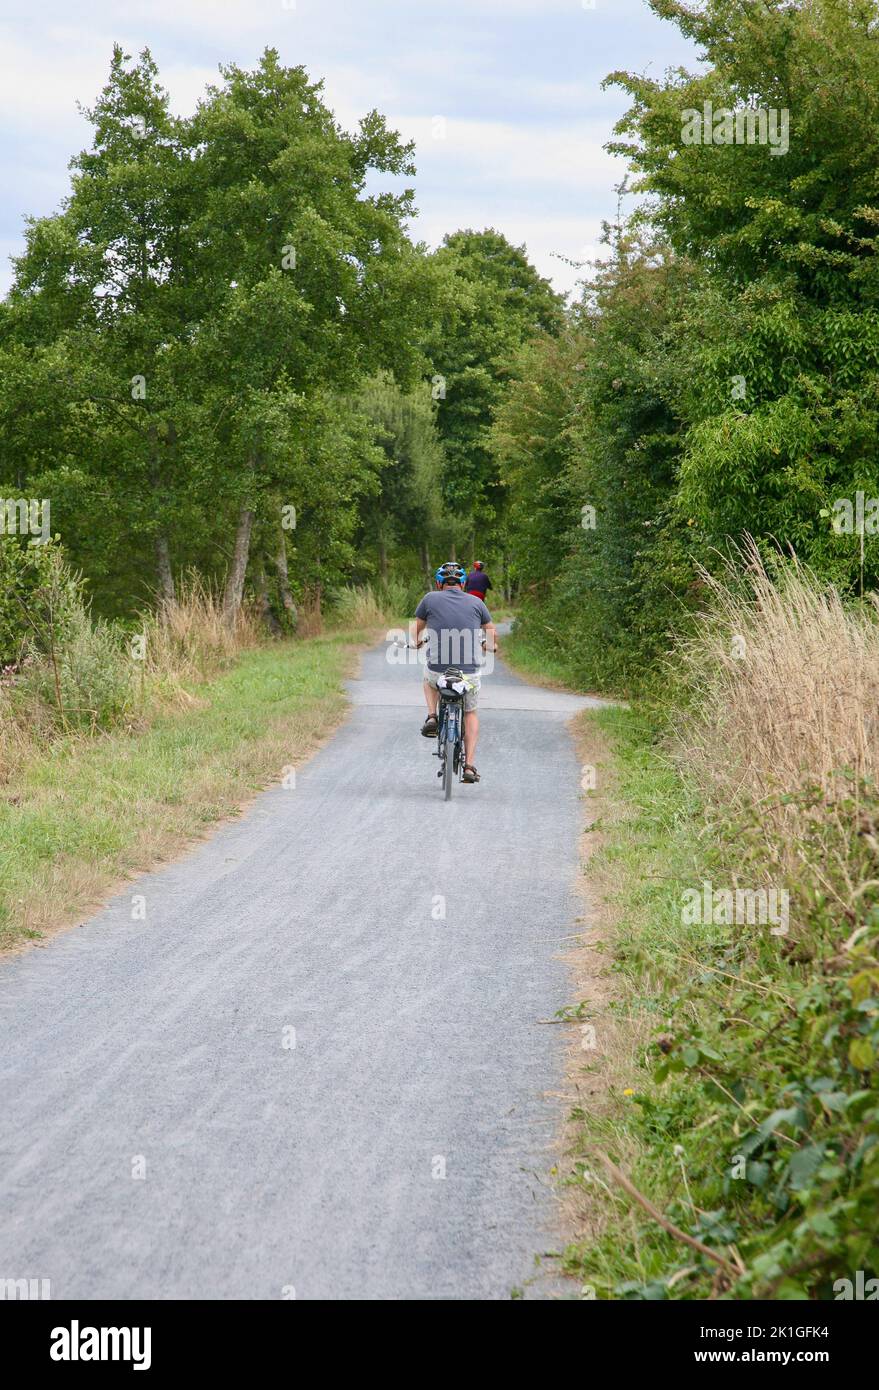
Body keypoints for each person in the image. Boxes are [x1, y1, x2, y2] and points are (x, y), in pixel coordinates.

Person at [413, 561, 498, 784]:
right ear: (463, 582)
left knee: (428, 678)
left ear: (439, 583)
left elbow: (418, 626)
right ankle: (469, 766)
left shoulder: (430, 598)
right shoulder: (477, 602)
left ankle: (432, 716)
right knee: (470, 713)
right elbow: (491, 631)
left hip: (438, 669)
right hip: (468, 671)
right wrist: (490, 646)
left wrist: (417, 641)